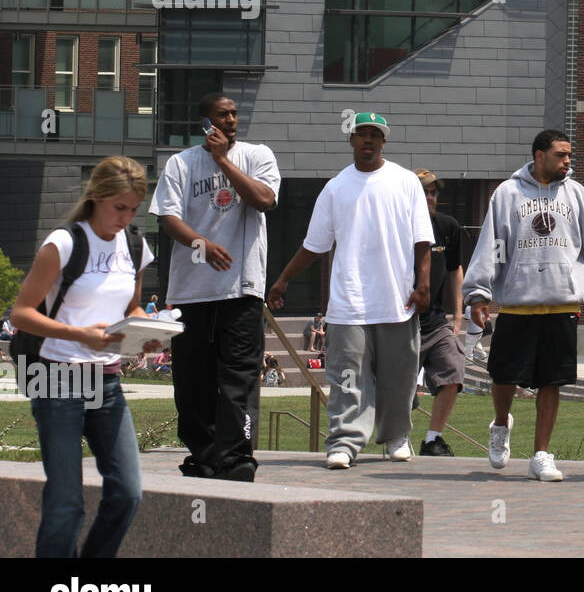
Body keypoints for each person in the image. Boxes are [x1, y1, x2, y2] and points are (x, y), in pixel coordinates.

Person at [268, 112, 432, 470]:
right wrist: (283, 280)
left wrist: (423, 284)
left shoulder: (406, 182)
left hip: (396, 300)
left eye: (375, 135)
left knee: (399, 377)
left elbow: (423, 240)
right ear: (351, 140)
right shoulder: (335, 187)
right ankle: (344, 442)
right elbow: (314, 246)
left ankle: (396, 436)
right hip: (349, 302)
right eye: (362, 134)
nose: (368, 141)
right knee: (346, 378)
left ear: (384, 142)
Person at [10, 156, 154, 557]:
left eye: (133, 209)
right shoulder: (64, 243)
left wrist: (146, 332)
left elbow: (132, 307)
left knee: (128, 491)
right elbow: (21, 314)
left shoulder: (135, 245)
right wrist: (77, 335)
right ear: (96, 197)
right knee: (66, 502)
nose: (125, 218)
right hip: (56, 378)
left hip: (106, 380)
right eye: (118, 208)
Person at [462, 129, 584, 482]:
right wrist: (478, 293)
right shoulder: (508, 193)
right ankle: (500, 425)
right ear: (539, 156)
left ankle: (541, 454)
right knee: (503, 375)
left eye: (569, 155)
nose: (567, 162)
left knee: (552, 380)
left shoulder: (577, 195)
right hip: (519, 303)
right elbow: (491, 244)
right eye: (561, 155)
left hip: (562, 304)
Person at [149, 92, 281, 482]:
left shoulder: (257, 156)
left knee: (237, 377)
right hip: (191, 292)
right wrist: (199, 244)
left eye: (234, 115)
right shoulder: (180, 163)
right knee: (192, 380)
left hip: (241, 290)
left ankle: (236, 456)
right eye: (222, 116)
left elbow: (264, 200)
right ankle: (204, 454)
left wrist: (223, 160)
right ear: (205, 122)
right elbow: (169, 218)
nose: (231, 121)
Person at [412, 169, 467, 458]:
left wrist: (457, 315)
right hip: (401, 323)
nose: (431, 197)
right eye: (424, 192)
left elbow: (454, 268)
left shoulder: (448, 227)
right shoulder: (398, 226)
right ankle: (398, 436)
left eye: (434, 192)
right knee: (399, 390)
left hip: (435, 323)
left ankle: (433, 440)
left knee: (453, 369)